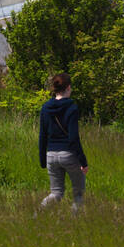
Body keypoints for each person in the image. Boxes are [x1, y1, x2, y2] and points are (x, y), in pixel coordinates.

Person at [39, 72, 89, 210]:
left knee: (56, 193)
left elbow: (42, 135)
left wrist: (43, 160)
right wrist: (83, 162)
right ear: (68, 88)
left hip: (51, 155)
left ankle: (38, 214)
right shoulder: (72, 107)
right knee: (78, 193)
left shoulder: (45, 108)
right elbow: (73, 138)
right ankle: (75, 224)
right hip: (68, 155)